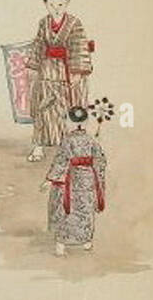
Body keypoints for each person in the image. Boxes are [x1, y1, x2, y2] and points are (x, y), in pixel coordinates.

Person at [24, 0, 92, 162]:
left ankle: (67, 146)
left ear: (67, 2)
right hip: (46, 72)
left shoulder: (74, 24)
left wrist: (78, 71)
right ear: (45, 3)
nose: (56, 8)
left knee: (67, 109)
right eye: (51, 4)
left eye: (60, 4)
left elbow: (79, 47)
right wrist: (33, 66)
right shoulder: (43, 23)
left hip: (67, 72)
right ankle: (39, 145)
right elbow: (38, 44)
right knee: (43, 108)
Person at [41, 105, 106, 256]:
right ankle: (87, 242)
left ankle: (61, 245)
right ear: (86, 122)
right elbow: (101, 160)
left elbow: (61, 161)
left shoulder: (67, 141)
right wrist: (98, 178)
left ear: (70, 122)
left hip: (70, 179)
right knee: (85, 208)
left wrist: (50, 179)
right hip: (88, 178)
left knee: (65, 210)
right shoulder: (91, 140)